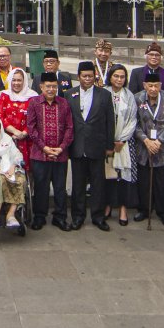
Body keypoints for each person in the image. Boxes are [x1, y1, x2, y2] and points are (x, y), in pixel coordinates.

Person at [68, 60, 115, 231]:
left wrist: (109, 146)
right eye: (84, 76)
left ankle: (98, 216)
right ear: (79, 77)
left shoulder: (104, 95)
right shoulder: (70, 94)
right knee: (78, 185)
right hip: (77, 147)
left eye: (90, 76)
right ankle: (78, 216)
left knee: (98, 184)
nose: (87, 79)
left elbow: (110, 122)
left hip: (97, 145)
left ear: (95, 76)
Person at [26, 72, 73, 230]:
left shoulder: (64, 103)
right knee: (41, 187)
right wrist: (44, 148)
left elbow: (69, 128)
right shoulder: (34, 103)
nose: (51, 89)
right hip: (40, 155)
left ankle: (60, 217)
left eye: (54, 86)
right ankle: (39, 217)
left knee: (60, 188)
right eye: (48, 86)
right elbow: (31, 129)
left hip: (60, 155)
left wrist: (61, 148)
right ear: (41, 87)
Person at [133, 72, 164, 226]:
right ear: (144, 86)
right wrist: (145, 140)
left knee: (162, 182)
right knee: (144, 181)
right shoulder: (137, 98)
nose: (153, 89)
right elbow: (134, 123)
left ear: (160, 86)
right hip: (143, 147)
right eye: (149, 86)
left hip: (161, 148)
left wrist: (158, 141)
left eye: (156, 86)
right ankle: (144, 209)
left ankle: (163, 211)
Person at [104, 64, 138, 225]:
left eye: (122, 77)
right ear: (110, 77)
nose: (119, 79)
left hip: (124, 143)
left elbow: (132, 119)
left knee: (123, 176)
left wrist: (122, 140)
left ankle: (123, 208)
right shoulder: (104, 93)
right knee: (108, 176)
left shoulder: (129, 95)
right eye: (116, 76)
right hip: (107, 143)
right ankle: (108, 205)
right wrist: (109, 141)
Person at [0, 68, 34, 170]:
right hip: (6, 138)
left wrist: (24, 133)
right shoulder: (4, 95)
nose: (16, 83)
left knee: (26, 171)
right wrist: (15, 131)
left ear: (24, 81)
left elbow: (34, 119)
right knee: (6, 170)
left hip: (27, 140)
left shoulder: (33, 97)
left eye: (19, 80)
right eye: (14, 80)